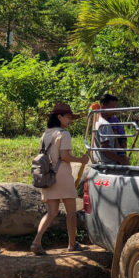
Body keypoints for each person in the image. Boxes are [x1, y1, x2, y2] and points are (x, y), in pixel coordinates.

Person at [30, 103, 90, 255]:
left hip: (48, 174)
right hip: (62, 174)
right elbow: (65, 157)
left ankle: (36, 241)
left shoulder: (46, 134)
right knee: (71, 212)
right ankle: (72, 244)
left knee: (51, 212)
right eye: (68, 117)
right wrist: (81, 160)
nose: (70, 120)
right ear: (59, 117)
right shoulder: (64, 134)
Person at [92, 93, 130, 165]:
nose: (115, 109)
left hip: (100, 161)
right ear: (103, 106)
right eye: (113, 107)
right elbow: (104, 148)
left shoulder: (97, 120)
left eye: (116, 107)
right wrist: (120, 159)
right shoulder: (105, 124)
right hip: (109, 163)